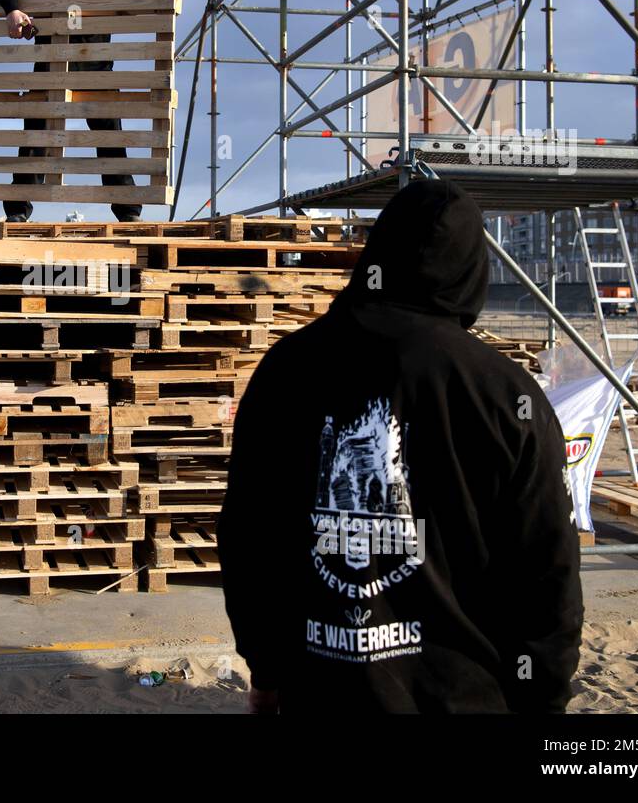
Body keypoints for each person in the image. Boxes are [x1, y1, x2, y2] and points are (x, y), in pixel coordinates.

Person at [219, 179, 583, 714]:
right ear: (471, 272)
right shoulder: (506, 394)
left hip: (319, 692)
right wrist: (544, 697)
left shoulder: (288, 369)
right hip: (464, 696)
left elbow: (249, 541)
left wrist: (267, 668)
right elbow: (548, 570)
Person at [0, 0, 141, 223]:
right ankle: (17, 211)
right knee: (37, 135)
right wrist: (13, 10)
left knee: (111, 138)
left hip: (98, 68)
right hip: (52, 64)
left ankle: (129, 213)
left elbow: (131, 10)